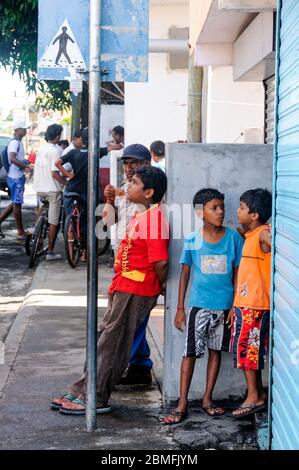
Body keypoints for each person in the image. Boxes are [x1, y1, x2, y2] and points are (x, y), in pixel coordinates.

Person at [51, 166, 169, 414]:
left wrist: (161, 286)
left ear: (149, 192)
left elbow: (161, 262)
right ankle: (83, 388)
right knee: (103, 339)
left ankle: (97, 396)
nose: (129, 185)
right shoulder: (142, 213)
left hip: (136, 290)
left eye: (134, 182)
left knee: (112, 345)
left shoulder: (155, 218)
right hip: (124, 286)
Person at [164, 188, 244, 425]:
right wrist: (180, 308)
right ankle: (182, 402)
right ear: (201, 212)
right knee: (189, 353)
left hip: (224, 307)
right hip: (198, 306)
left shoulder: (233, 238)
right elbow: (185, 274)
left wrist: (234, 305)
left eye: (222, 207)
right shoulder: (192, 239)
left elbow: (238, 274)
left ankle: (208, 399)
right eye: (214, 208)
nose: (220, 212)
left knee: (215, 351)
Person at [103, 144, 154, 385]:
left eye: (135, 163)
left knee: (131, 320)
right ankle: (141, 366)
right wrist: (109, 202)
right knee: (131, 319)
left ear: (147, 164)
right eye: (126, 163)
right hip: (121, 259)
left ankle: (121, 367)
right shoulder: (123, 190)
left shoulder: (151, 193)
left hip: (139, 264)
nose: (129, 167)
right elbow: (109, 223)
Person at [229, 188, 272, 419]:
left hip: (255, 306)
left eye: (242, 207)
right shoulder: (251, 235)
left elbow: (271, 240)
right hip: (245, 305)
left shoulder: (263, 233)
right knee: (248, 352)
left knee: (248, 352)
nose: (237, 210)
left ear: (254, 215)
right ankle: (257, 394)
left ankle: (253, 396)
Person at [33, 124, 66, 261]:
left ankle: (37, 241)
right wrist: (66, 183)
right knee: (54, 221)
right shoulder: (56, 151)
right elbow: (54, 173)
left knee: (40, 211)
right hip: (53, 190)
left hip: (40, 189)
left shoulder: (41, 149)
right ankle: (50, 252)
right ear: (58, 136)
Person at [55, 127, 88, 253]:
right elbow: (111, 149)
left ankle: (69, 252)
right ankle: (85, 253)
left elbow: (57, 163)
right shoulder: (93, 152)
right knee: (86, 220)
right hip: (84, 191)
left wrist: (69, 176)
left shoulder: (73, 153)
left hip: (70, 189)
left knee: (70, 220)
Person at [0, 119, 33, 239]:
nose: (25, 131)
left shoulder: (17, 142)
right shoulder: (14, 143)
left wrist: (25, 162)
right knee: (17, 205)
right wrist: (26, 166)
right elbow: (12, 158)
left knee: (15, 202)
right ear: (17, 130)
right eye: (24, 129)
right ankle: (20, 231)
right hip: (15, 177)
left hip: (15, 176)